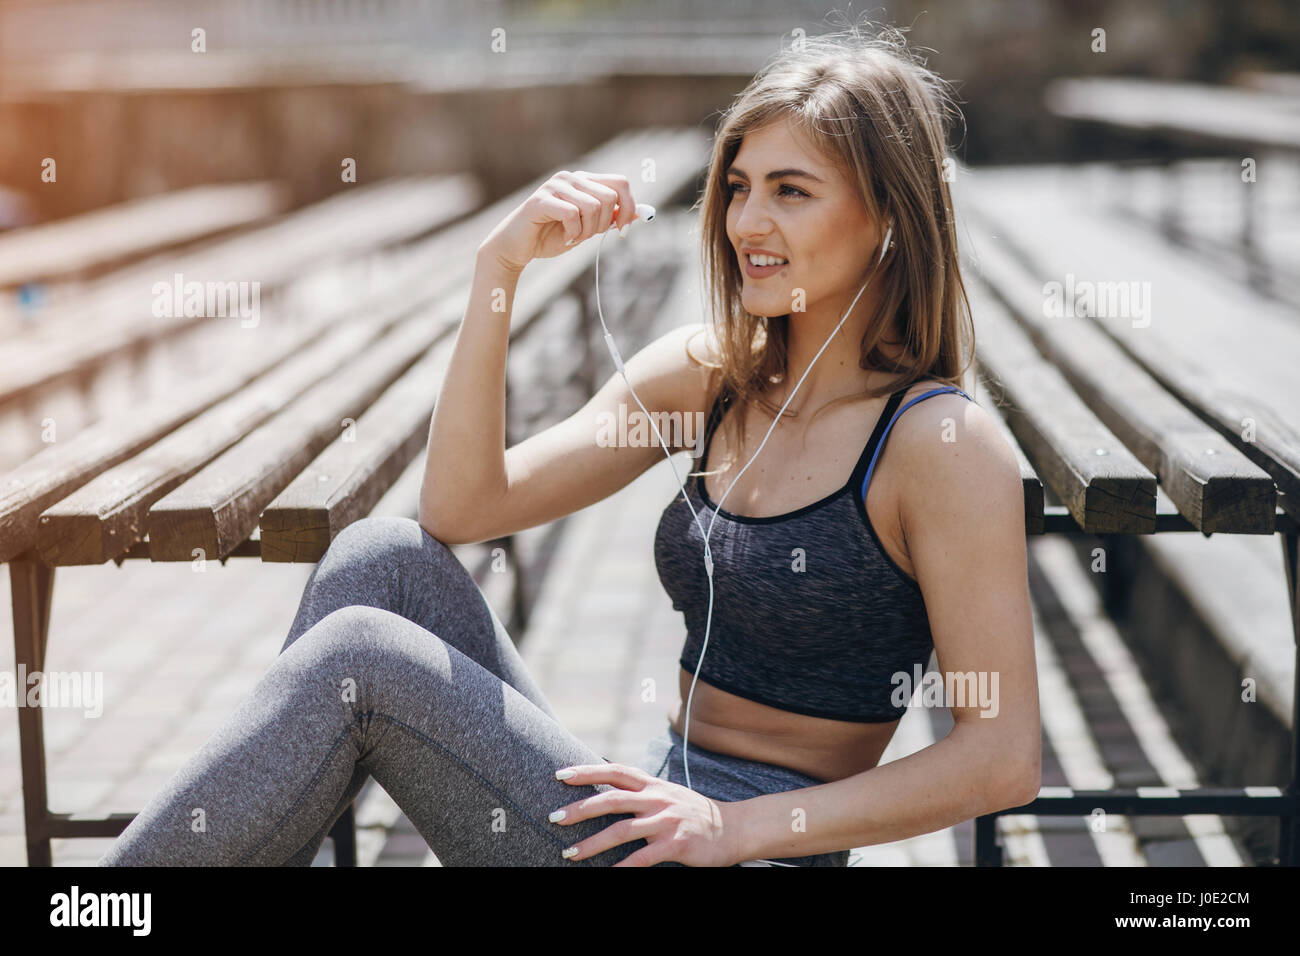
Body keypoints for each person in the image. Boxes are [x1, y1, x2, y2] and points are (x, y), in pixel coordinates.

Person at [100, 22, 1039, 868]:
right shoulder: (710, 380)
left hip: (745, 852)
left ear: (889, 215)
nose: (746, 223)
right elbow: (462, 508)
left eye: (791, 192)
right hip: (645, 819)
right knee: (381, 560)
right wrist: (497, 270)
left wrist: (737, 828)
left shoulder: (940, 445)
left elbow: (1001, 759)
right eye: (739, 187)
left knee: (361, 660)